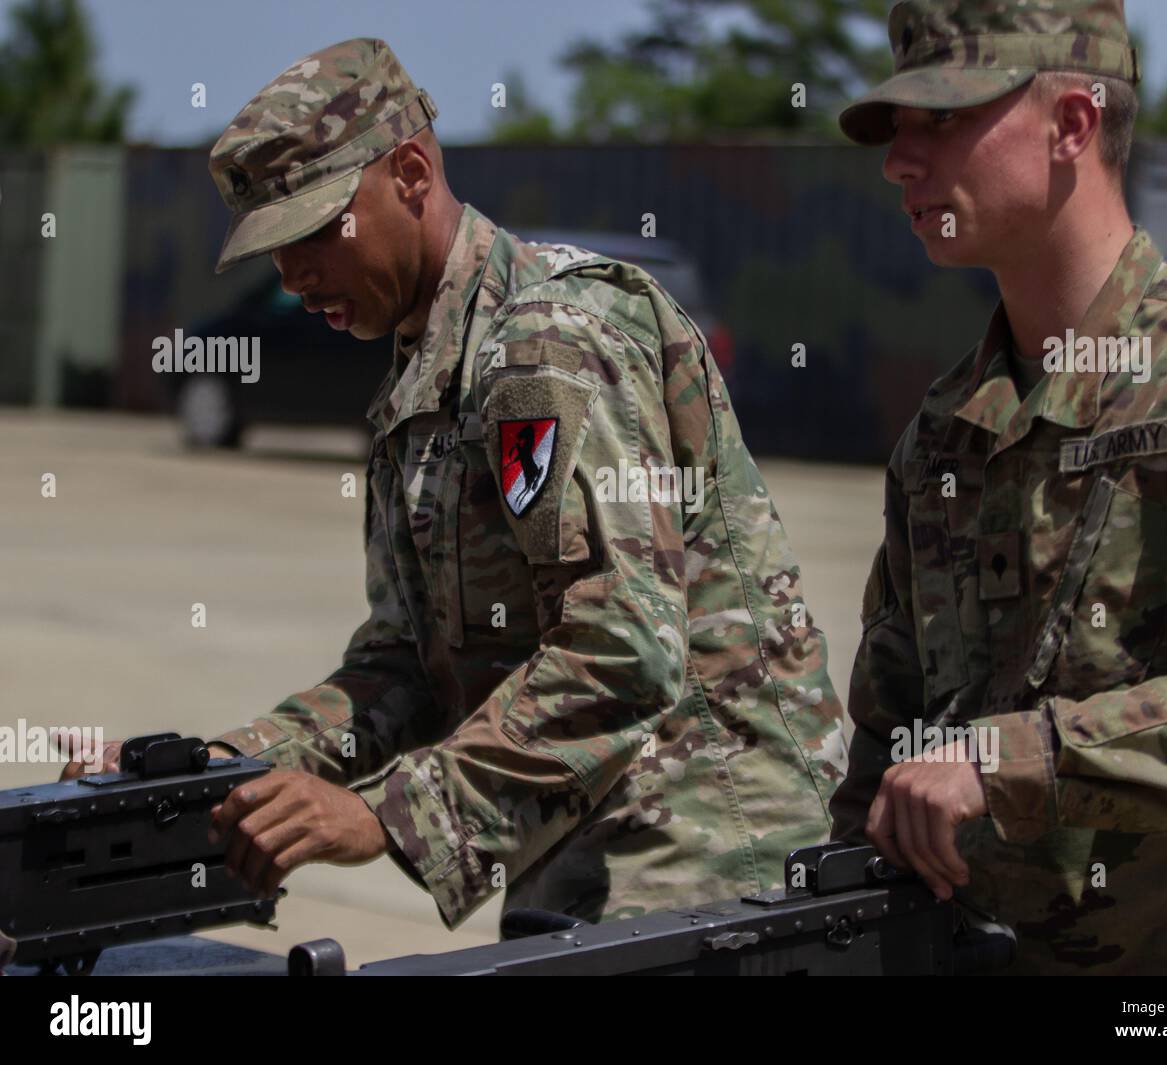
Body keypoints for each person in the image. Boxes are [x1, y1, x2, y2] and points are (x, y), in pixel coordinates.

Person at [58, 37, 846, 931]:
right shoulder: (427, 373)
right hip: (595, 873)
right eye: (273, 248)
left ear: (409, 172)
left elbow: (624, 647)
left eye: (317, 229)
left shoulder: (540, 345)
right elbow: (404, 666)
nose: (293, 274)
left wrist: (386, 813)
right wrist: (221, 767)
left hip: (705, 872)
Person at [829, 0, 1167, 974]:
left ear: (1072, 125)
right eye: (894, 131)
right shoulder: (942, 436)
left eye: (942, 120)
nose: (899, 162)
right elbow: (886, 741)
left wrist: (1014, 759)